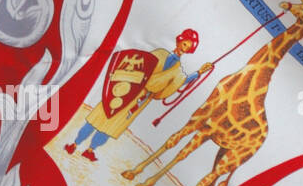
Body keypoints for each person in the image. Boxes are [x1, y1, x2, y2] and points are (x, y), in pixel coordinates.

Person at [65, 29, 211, 161]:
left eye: (188, 47)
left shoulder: (177, 70)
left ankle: (91, 149)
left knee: (113, 126)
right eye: (184, 43)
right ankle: (75, 143)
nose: (184, 48)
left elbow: (180, 81)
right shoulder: (160, 53)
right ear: (179, 40)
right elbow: (139, 63)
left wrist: (198, 73)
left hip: (142, 98)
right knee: (99, 117)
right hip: (128, 88)